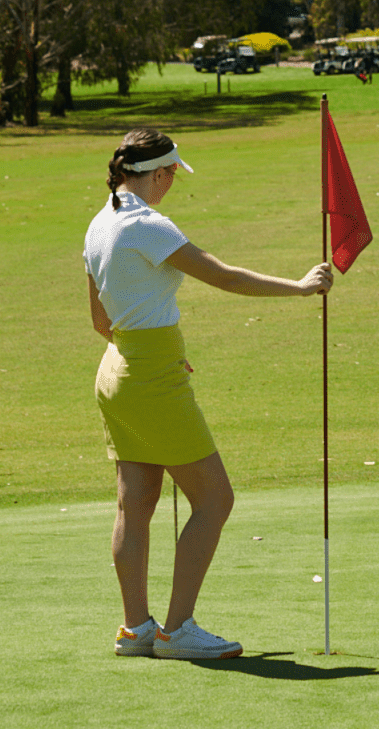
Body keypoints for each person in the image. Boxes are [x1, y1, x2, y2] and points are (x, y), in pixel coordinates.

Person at [85, 128, 334, 659]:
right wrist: (300, 287)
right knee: (215, 498)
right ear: (155, 173)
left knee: (136, 505)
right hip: (149, 377)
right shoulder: (147, 224)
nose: (172, 182)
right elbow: (224, 277)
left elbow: (100, 320)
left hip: (117, 370)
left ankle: (136, 631)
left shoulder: (100, 223)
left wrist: (152, 346)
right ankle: (177, 633)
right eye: (171, 173)